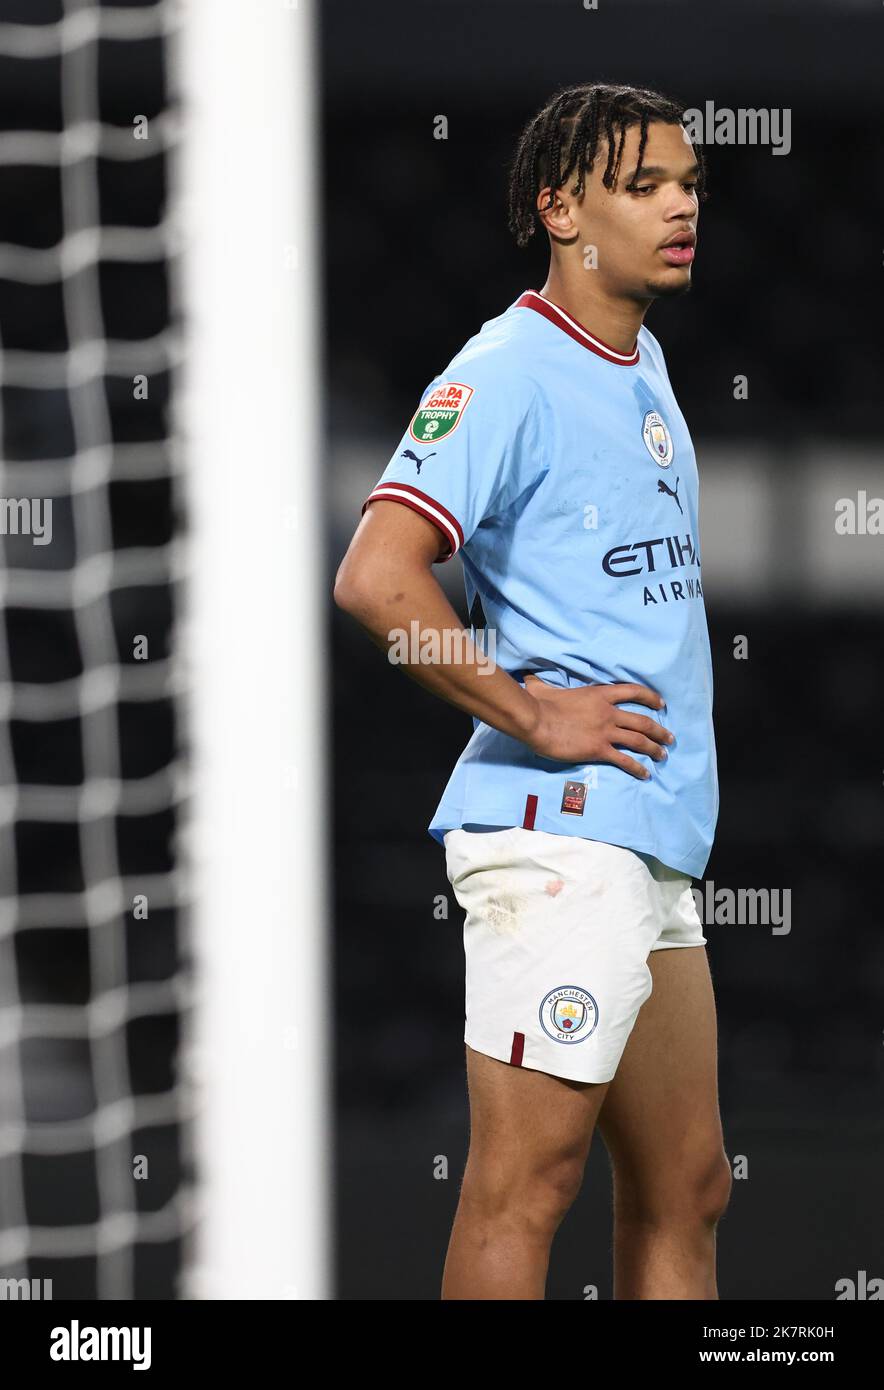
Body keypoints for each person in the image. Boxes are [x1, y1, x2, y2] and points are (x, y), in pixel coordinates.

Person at [334, 81, 731, 1300]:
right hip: (557, 835)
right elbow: (375, 578)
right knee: (529, 1180)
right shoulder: (504, 370)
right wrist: (535, 709)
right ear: (560, 208)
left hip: (647, 831)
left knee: (689, 1184)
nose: (679, 209)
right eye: (643, 185)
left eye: (688, 186)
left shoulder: (642, 359)